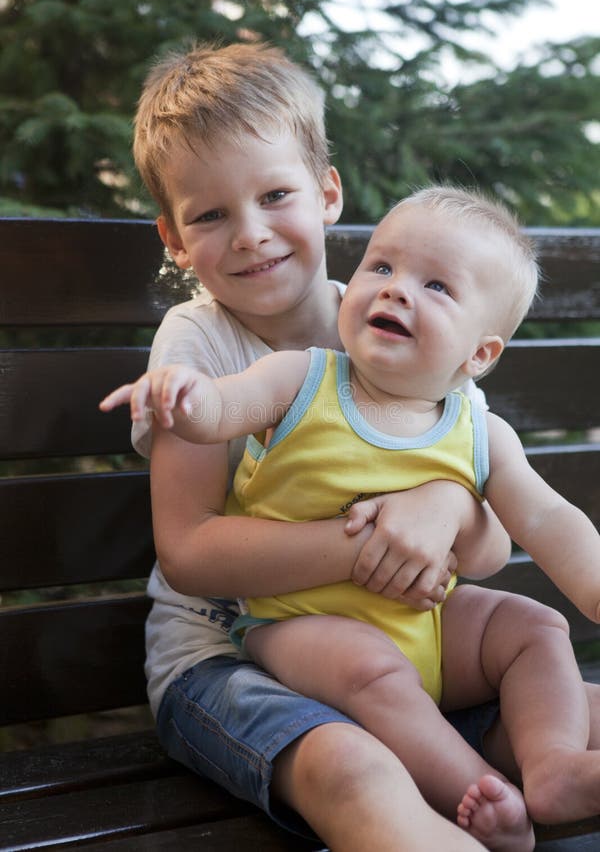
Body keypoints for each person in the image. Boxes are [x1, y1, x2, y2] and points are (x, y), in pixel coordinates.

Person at [98, 39, 511, 851]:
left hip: (407, 650)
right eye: (211, 215)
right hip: (229, 662)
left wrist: (448, 502)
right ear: (174, 238)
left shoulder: (397, 322)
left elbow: (491, 546)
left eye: (275, 195)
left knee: (563, 699)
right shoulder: (198, 344)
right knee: (353, 770)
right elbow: (190, 552)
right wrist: (365, 549)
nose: (250, 235)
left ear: (327, 193)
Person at [103, 185, 600, 852]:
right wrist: (183, 396)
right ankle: (480, 792)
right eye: (382, 266)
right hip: (302, 626)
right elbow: (220, 411)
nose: (396, 289)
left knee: (536, 626)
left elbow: (546, 517)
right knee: (371, 666)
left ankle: (554, 767)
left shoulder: (480, 431)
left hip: (428, 629)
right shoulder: (303, 379)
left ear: (478, 356)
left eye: (436, 286)